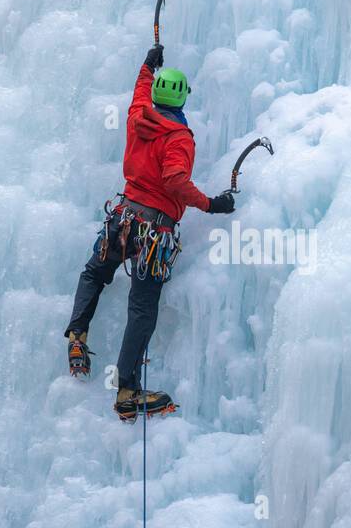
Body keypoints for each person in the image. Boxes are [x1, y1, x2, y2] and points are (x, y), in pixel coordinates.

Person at [64, 46, 235, 418]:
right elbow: (175, 180)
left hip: (123, 217)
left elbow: (139, 91)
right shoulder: (179, 137)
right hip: (154, 232)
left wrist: (146, 65)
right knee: (141, 307)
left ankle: (78, 335)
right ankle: (127, 391)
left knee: (95, 272)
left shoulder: (138, 115)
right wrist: (210, 203)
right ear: (183, 98)